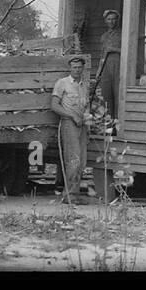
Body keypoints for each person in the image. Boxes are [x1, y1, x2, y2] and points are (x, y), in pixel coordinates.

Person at [51, 56, 90, 204]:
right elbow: (54, 105)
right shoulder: (62, 83)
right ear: (70, 68)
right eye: (74, 67)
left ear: (82, 68)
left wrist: (87, 117)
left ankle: (75, 193)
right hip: (68, 124)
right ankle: (69, 195)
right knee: (73, 159)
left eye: (79, 67)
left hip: (82, 125)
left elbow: (86, 105)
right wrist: (72, 115)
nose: (77, 69)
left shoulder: (84, 85)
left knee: (82, 161)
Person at [95, 10, 123, 118]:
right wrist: (99, 71)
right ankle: (108, 128)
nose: (111, 21)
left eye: (114, 19)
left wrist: (114, 49)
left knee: (118, 96)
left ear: (117, 20)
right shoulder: (104, 36)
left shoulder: (122, 34)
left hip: (118, 67)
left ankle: (118, 127)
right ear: (105, 21)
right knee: (106, 96)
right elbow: (102, 56)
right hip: (106, 68)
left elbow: (128, 51)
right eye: (109, 19)